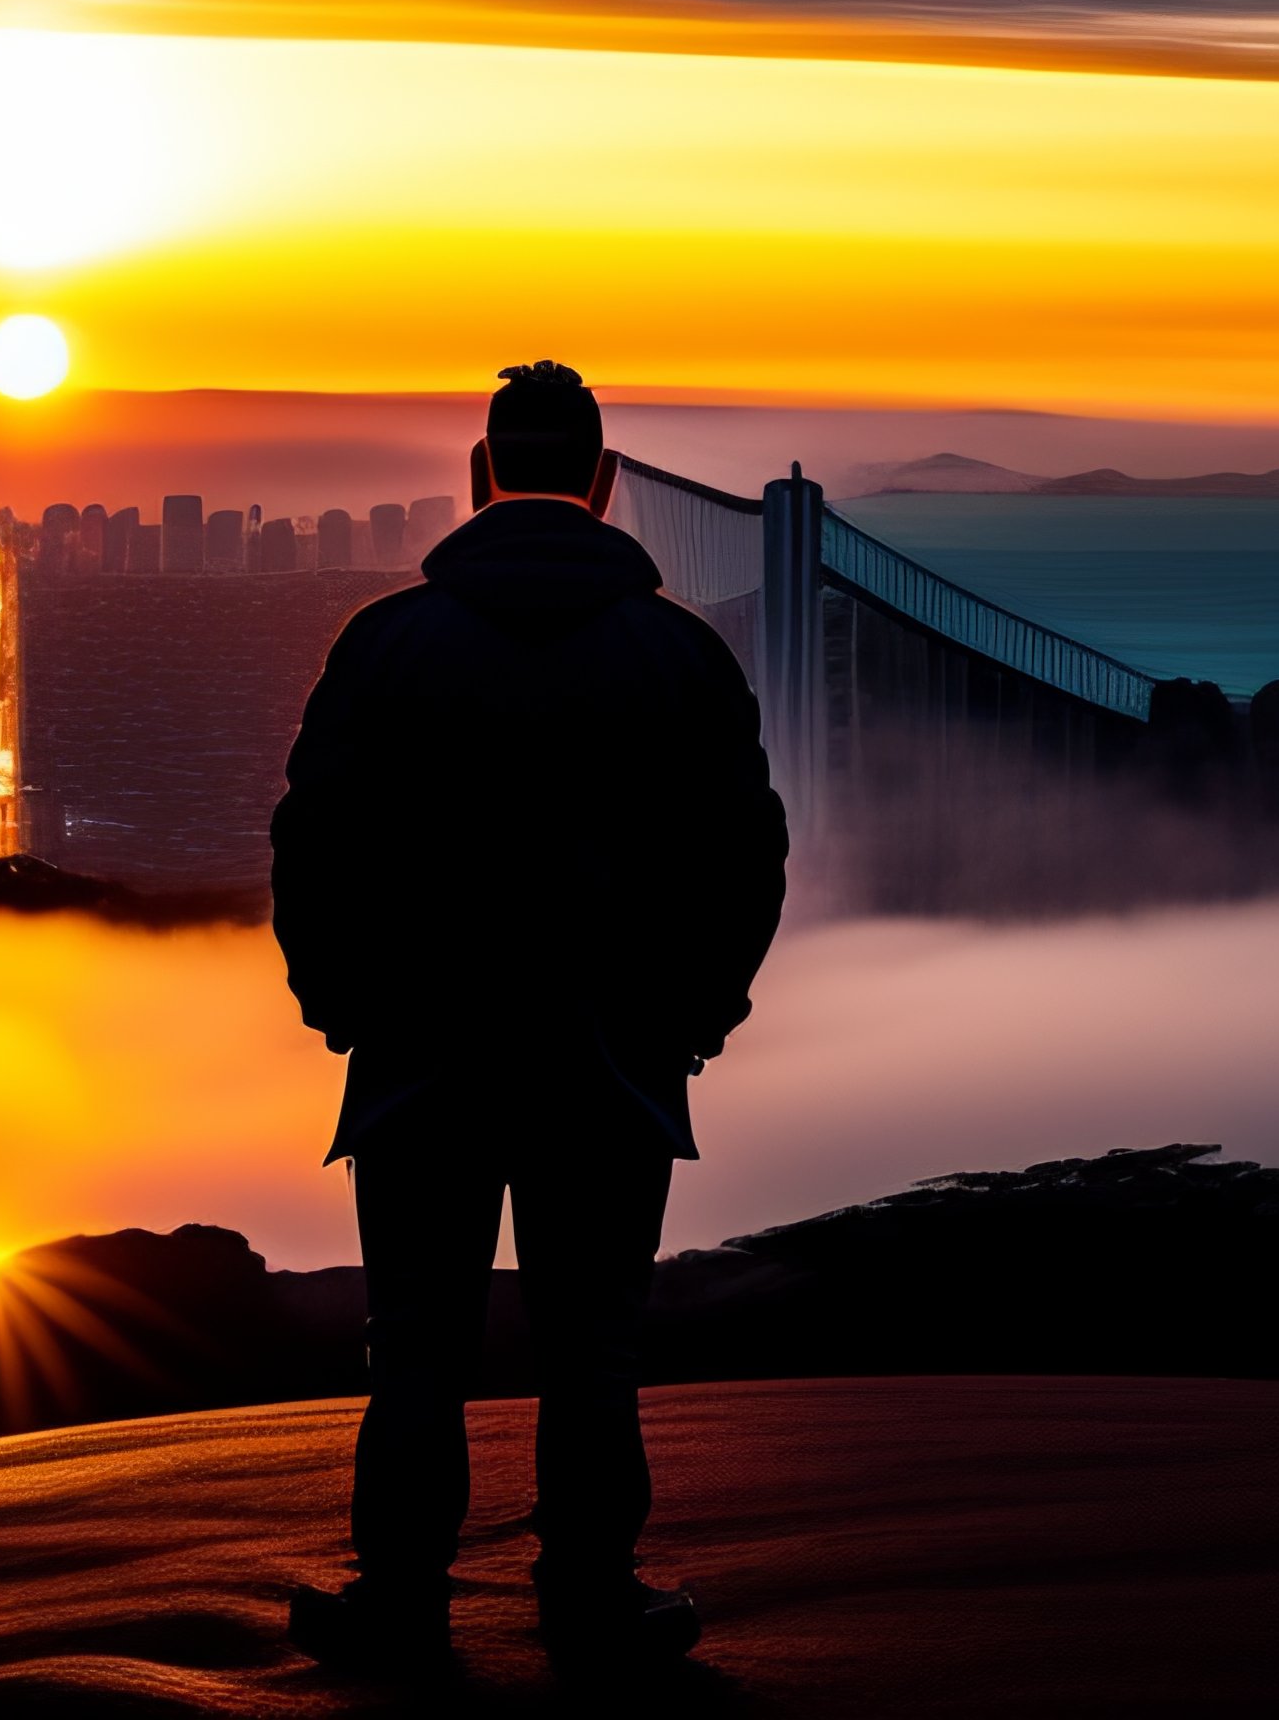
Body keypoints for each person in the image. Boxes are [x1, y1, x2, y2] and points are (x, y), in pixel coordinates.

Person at [273, 361, 787, 1671]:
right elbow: (747, 854)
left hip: (419, 1058)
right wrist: (698, 1015)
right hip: (611, 1058)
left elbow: (311, 839)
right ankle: (592, 1597)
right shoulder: (681, 654)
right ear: (606, 483)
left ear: (478, 475)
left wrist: (342, 1004)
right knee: (593, 1344)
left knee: (416, 1346)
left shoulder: (385, 643)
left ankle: (398, 1601)